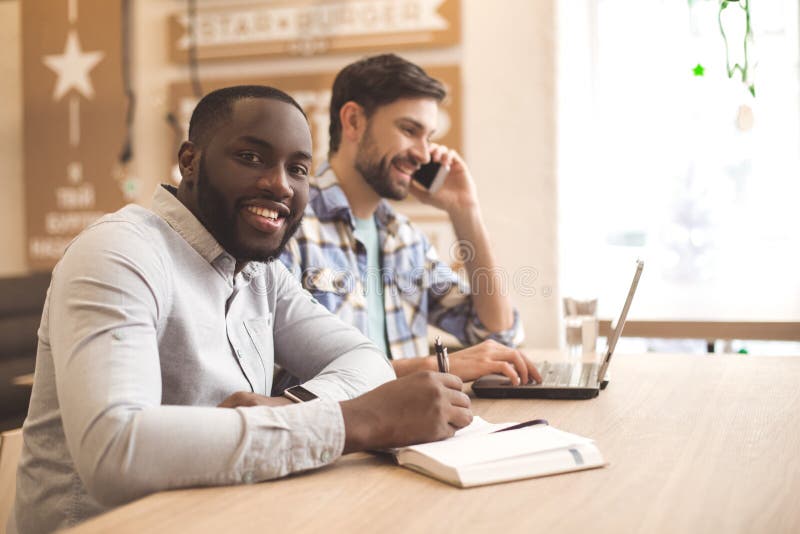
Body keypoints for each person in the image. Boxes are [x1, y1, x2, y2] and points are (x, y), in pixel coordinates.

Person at [10, 86, 472, 534]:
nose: (279, 185)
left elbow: (364, 359)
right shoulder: (119, 252)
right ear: (189, 161)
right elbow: (116, 450)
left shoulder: (258, 271)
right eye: (251, 157)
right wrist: (358, 420)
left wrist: (287, 406)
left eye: (298, 169)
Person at [280, 54, 540, 387]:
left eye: (428, 137)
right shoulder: (290, 225)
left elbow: (498, 334)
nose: (423, 154)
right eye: (409, 130)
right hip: (341, 435)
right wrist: (438, 367)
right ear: (354, 122)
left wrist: (465, 211)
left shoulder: (403, 239)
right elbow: (284, 380)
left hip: (418, 431)